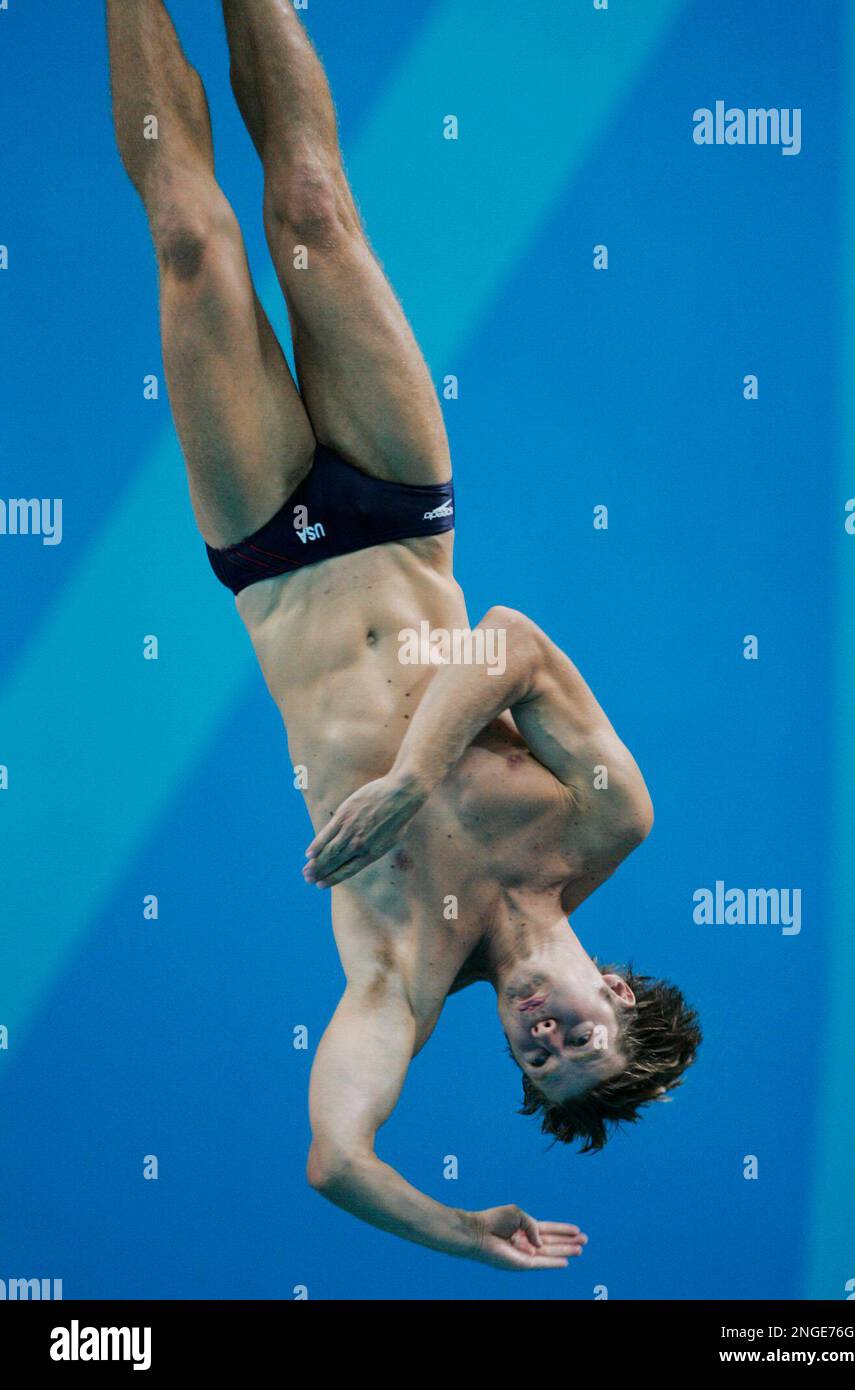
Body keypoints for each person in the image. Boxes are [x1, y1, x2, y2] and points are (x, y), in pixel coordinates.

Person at [106, 0, 701, 1272]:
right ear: (622, 998)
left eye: (535, 1065)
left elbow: (335, 1157)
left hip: (267, 552)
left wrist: (459, 1232)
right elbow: (510, 643)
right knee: (310, 205)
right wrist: (414, 777)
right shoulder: (608, 820)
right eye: (579, 1040)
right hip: (396, 507)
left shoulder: (400, 974)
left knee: (194, 243)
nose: (546, 1038)